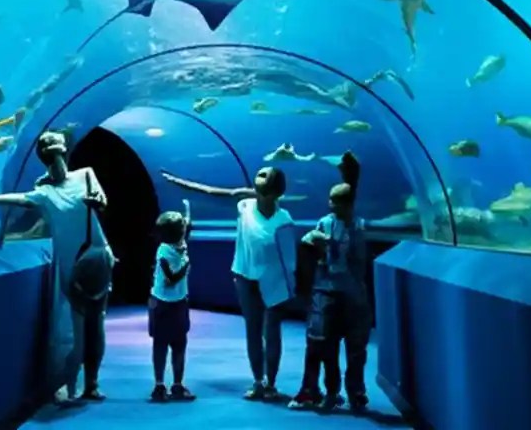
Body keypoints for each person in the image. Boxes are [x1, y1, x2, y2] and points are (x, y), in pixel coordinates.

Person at [0, 130, 113, 403]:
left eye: (56, 152)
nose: (56, 159)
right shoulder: (44, 193)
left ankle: (91, 383)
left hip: (98, 257)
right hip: (74, 266)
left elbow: (102, 201)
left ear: (64, 151)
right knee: (81, 333)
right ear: (46, 157)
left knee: (97, 325)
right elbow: (18, 198)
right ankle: (69, 386)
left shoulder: (86, 174)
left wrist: (99, 202)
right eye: (50, 153)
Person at [160, 166, 297, 401]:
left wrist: (291, 286)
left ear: (276, 189)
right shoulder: (244, 203)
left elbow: (290, 258)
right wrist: (179, 181)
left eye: (266, 175)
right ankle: (258, 382)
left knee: (272, 332)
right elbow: (212, 192)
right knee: (253, 330)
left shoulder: (284, 220)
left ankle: (271, 383)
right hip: (245, 276)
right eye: (260, 173)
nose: (260, 176)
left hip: (274, 281)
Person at [289, 151, 371, 414]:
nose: (331, 205)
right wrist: (311, 242)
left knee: (356, 348)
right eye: (331, 201)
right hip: (327, 291)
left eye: (336, 202)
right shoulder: (324, 223)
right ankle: (332, 391)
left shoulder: (360, 226)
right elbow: (310, 246)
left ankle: (356, 393)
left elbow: (361, 260)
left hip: (354, 295)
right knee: (328, 346)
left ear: (348, 203)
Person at [149, 198, 196, 402]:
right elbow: (170, 279)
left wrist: (187, 207)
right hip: (163, 303)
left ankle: (176, 384)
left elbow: (188, 223)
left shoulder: (180, 242)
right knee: (161, 344)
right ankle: (159, 385)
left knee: (179, 344)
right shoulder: (164, 251)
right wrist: (186, 265)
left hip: (178, 302)